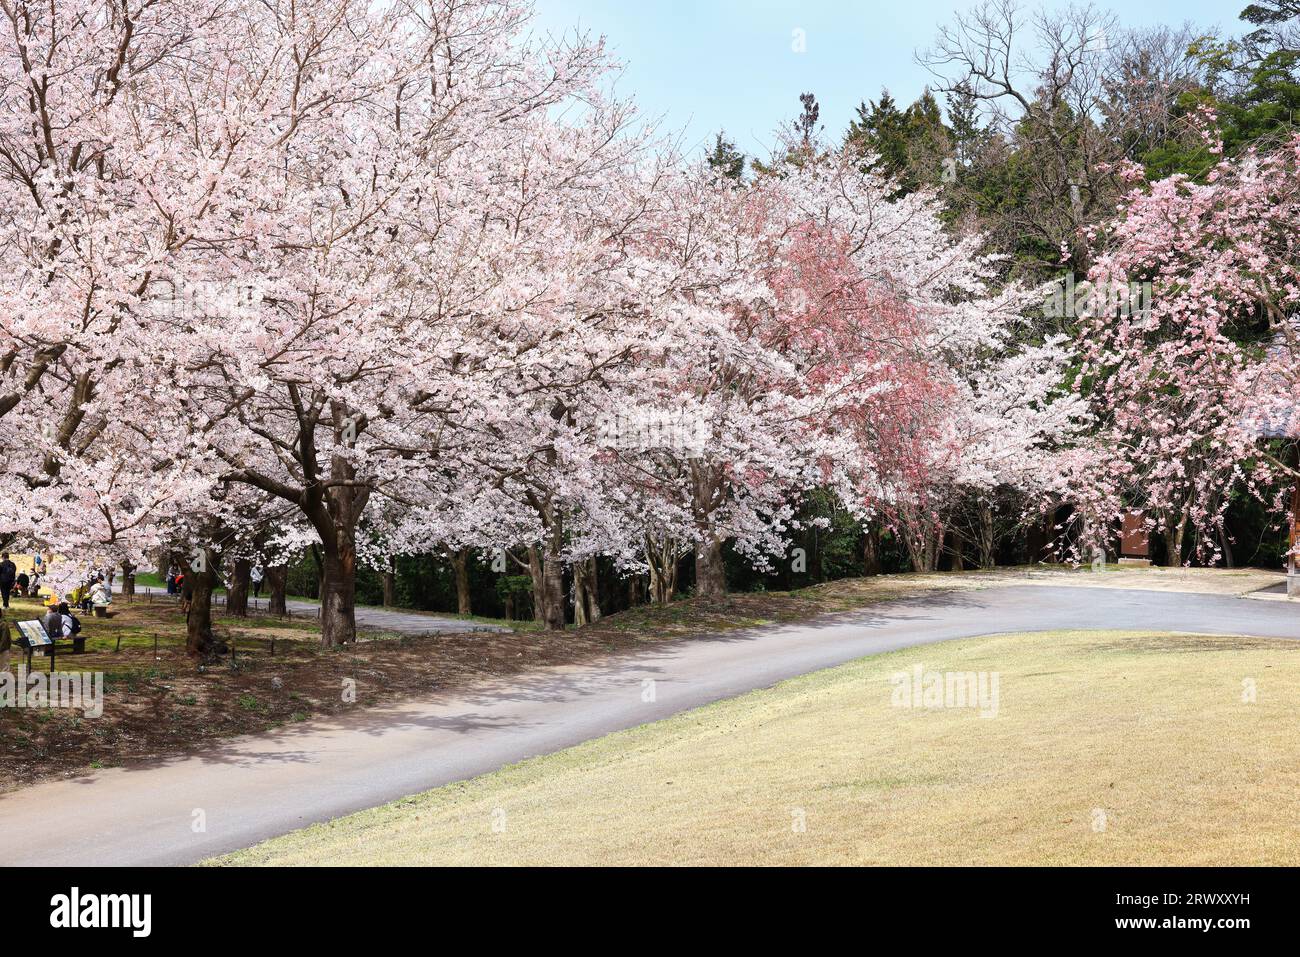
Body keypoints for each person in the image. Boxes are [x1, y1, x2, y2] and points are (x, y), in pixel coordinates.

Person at [0, 607, 11, 674]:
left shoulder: (3, 625)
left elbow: (4, 640)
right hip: (3, 648)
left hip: (2, 649)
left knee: (4, 668)